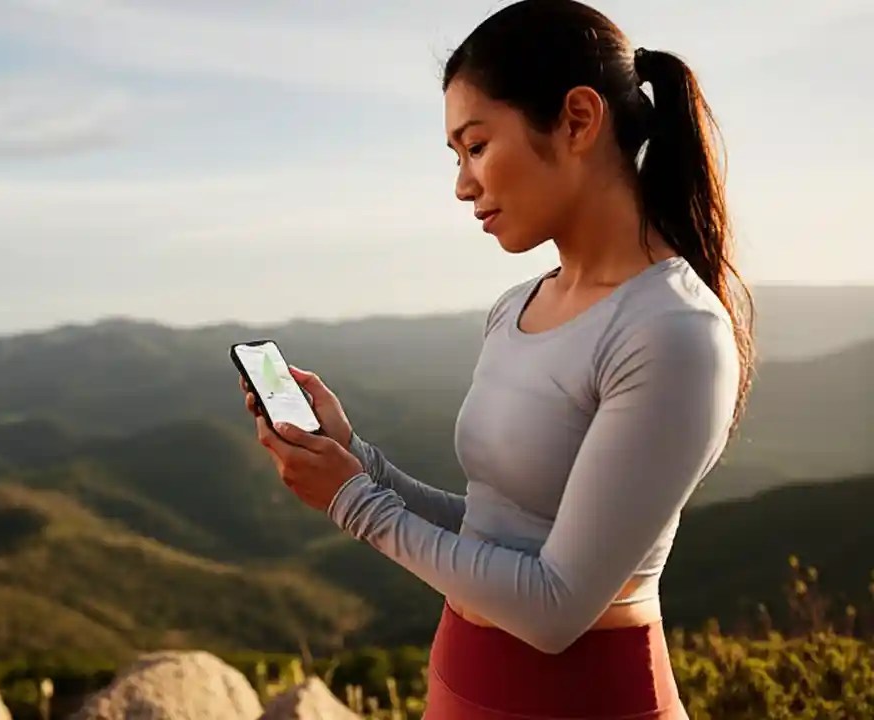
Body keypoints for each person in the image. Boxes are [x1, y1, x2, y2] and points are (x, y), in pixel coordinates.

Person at [238, 1, 755, 717]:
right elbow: (496, 528)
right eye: (455, 157)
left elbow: (553, 606)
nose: (463, 184)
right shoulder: (516, 305)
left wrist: (352, 501)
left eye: (476, 146)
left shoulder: (673, 331)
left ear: (578, 120)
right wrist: (359, 459)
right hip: (458, 682)